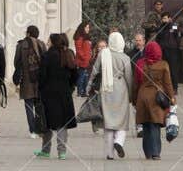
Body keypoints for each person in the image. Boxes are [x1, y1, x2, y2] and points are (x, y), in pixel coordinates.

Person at [85, 30, 135, 160]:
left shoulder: (103, 54)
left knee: (108, 121)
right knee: (122, 120)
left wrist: (89, 85)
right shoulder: (125, 58)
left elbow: (95, 71)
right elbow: (129, 78)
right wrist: (130, 94)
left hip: (106, 89)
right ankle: (119, 141)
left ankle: (109, 154)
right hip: (121, 89)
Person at [34, 32, 77, 159]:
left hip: (48, 93)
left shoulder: (47, 56)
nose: (47, 42)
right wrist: (70, 86)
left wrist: (40, 89)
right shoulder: (68, 54)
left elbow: (41, 76)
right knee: (62, 123)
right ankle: (62, 151)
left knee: (47, 121)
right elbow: (75, 74)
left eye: (49, 40)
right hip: (64, 93)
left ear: (53, 42)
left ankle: (46, 150)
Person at [134, 39, 176, 160]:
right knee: (155, 125)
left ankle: (147, 152)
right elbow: (167, 83)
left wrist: (134, 99)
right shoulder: (163, 65)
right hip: (156, 97)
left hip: (142, 96)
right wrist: (172, 97)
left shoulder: (140, 63)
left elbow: (136, 83)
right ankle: (156, 152)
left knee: (146, 124)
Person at [12, 25, 45, 137]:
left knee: (29, 106)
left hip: (26, 80)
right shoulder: (41, 44)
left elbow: (16, 62)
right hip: (39, 80)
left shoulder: (21, 45)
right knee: (39, 105)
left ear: (28, 33)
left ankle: (32, 130)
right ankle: (40, 127)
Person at [72, 22, 94, 97]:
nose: (88, 29)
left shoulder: (86, 37)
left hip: (87, 60)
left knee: (85, 77)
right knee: (81, 77)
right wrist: (84, 57)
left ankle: (84, 91)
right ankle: (80, 91)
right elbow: (79, 50)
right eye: (86, 27)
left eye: (88, 27)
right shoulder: (79, 37)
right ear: (82, 28)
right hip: (82, 61)